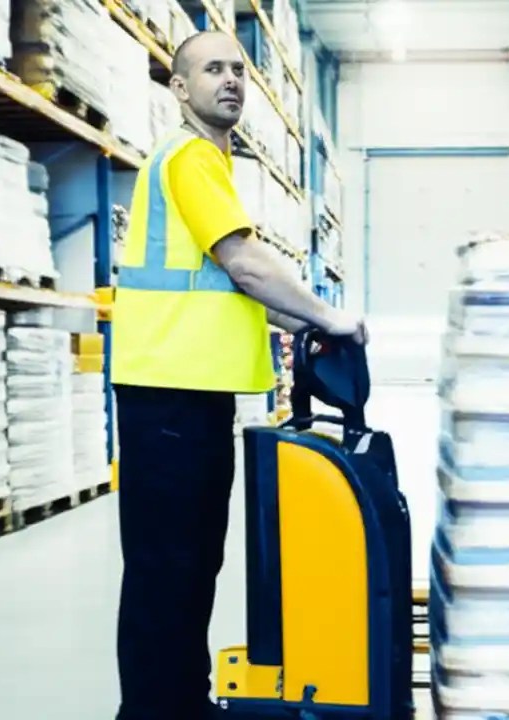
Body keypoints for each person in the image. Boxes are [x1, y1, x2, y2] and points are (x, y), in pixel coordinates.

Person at [109, 31, 366, 720]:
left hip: (188, 397)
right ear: (180, 88)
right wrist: (330, 317)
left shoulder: (208, 163)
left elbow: (227, 288)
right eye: (212, 69)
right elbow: (244, 264)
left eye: (238, 69)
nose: (230, 80)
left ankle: (179, 704)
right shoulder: (191, 158)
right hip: (169, 397)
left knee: (189, 570)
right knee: (170, 573)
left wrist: (301, 325)